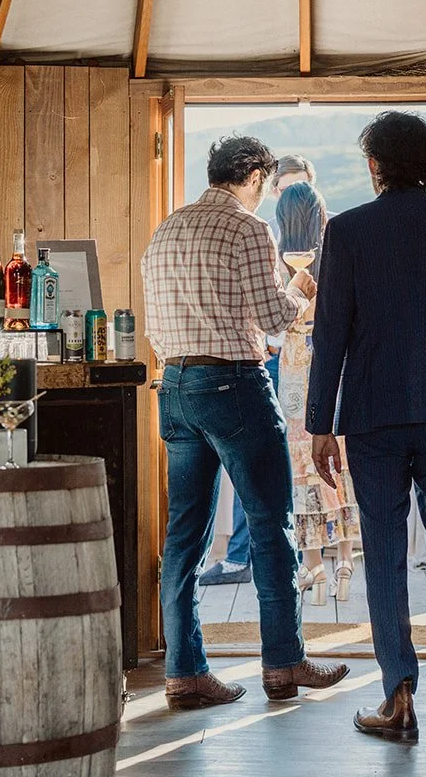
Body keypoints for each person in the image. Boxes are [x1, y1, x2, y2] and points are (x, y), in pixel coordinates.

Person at [306, 112, 426, 747]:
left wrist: (319, 425)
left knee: (385, 557)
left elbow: (328, 333)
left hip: (373, 416)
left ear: (374, 166)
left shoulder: (349, 231)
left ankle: (399, 697)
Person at [142, 134, 349, 709]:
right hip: (233, 383)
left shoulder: (166, 229)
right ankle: (283, 664)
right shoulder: (248, 228)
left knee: (184, 535)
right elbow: (273, 316)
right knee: (269, 521)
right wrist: (303, 286)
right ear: (255, 178)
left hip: (176, 386)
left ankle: (184, 673)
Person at [199, 154, 317, 587]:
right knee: (259, 471)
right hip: (260, 363)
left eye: (295, 189)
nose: (285, 197)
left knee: (278, 470)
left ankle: (295, 557)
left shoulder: (288, 239)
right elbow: (267, 314)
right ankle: (247, 557)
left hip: (294, 363)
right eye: (280, 189)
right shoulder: (258, 235)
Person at [274, 182, 358, 606]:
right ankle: (345, 558)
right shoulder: (337, 256)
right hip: (333, 367)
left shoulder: (279, 262)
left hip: (293, 372)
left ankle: (315, 566)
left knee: (304, 464)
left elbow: (271, 330)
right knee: (337, 458)